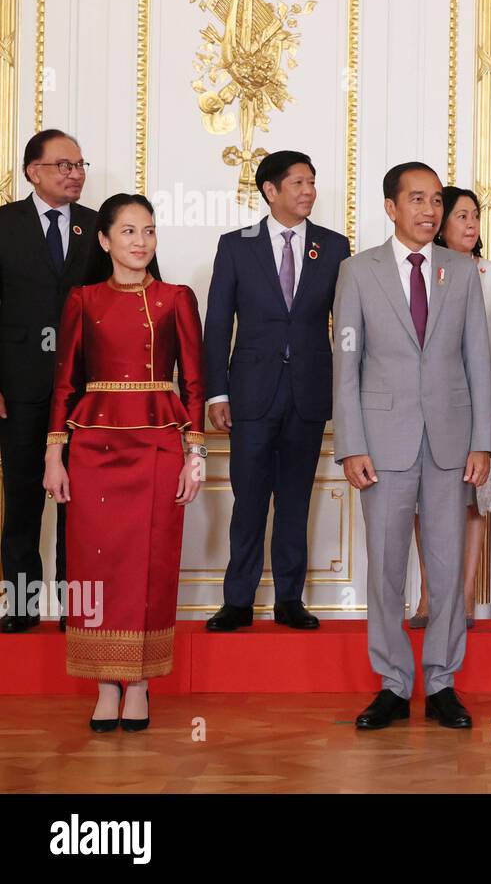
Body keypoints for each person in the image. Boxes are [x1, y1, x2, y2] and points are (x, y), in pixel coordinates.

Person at [333, 162, 491, 731]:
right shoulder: (358, 272)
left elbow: (480, 359)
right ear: (391, 207)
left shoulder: (462, 271)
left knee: (449, 570)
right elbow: (346, 363)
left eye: (436, 200)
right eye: (418, 199)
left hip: (452, 445)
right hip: (381, 444)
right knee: (386, 570)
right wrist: (351, 443)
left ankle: (443, 680)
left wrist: (482, 442)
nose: (430, 211)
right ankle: (394, 685)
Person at [42, 194, 205, 732]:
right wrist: (54, 453)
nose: (141, 242)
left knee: (151, 563)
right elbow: (65, 381)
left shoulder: (176, 298)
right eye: (130, 232)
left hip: (159, 444)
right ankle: (102, 682)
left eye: (150, 231)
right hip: (93, 446)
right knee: (97, 563)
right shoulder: (82, 299)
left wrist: (195, 455)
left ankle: (139, 683)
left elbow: (196, 383)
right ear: (105, 240)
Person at [0, 130, 157, 633]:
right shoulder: (3, 224)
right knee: (22, 498)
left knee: (83, 508)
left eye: (80, 165)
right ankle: (21, 607)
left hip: (90, 392)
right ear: (33, 171)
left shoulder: (99, 228)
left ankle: (76, 610)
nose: (75, 174)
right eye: (63, 165)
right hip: (19, 384)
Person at [203, 151, 351, 633]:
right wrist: (216, 394)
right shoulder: (236, 245)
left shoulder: (332, 246)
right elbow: (218, 324)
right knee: (248, 501)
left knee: (294, 500)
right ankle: (238, 601)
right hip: (250, 393)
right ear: (270, 191)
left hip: (309, 392)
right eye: (298, 183)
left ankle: (290, 599)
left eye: (312, 182)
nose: (308, 191)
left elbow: (348, 325)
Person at [407, 186, 491, 628]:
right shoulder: (419, 273)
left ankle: (466, 598)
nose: (472, 225)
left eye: (475, 216)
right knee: (423, 503)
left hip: (483, 409)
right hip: (431, 409)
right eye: (462, 216)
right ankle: (428, 597)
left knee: (475, 502)